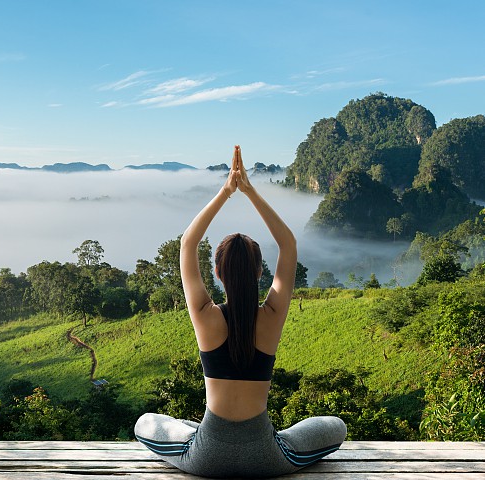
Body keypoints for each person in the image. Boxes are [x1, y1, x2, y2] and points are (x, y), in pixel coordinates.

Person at [134, 146, 346, 478]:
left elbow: (188, 244)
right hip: (265, 457)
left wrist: (226, 192)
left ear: (217, 273)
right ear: (260, 272)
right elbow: (288, 244)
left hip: (207, 457)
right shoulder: (271, 316)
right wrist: (249, 190)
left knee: (145, 423)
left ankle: (189, 431)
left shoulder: (207, 316)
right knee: (336, 426)